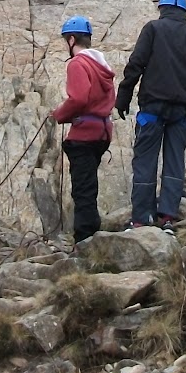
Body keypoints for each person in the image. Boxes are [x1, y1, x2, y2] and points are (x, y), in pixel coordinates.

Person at [115, 0, 186, 232]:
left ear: (163, 9)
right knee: (174, 163)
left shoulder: (153, 29)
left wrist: (124, 96)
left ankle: (141, 218)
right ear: (183, 12)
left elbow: (136, 64)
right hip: (180, 112)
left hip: (152, 107)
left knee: (145, 161)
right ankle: (168, 217)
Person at [49, 16, 116, 245]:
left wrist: (60, 114)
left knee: (82, 188)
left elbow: (78, 98)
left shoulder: (78, 64)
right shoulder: (101, 64)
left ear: (71, 39)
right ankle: (91, 231)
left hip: (84, 133)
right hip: (102, 131)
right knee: (89, 184)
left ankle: (85, 238)